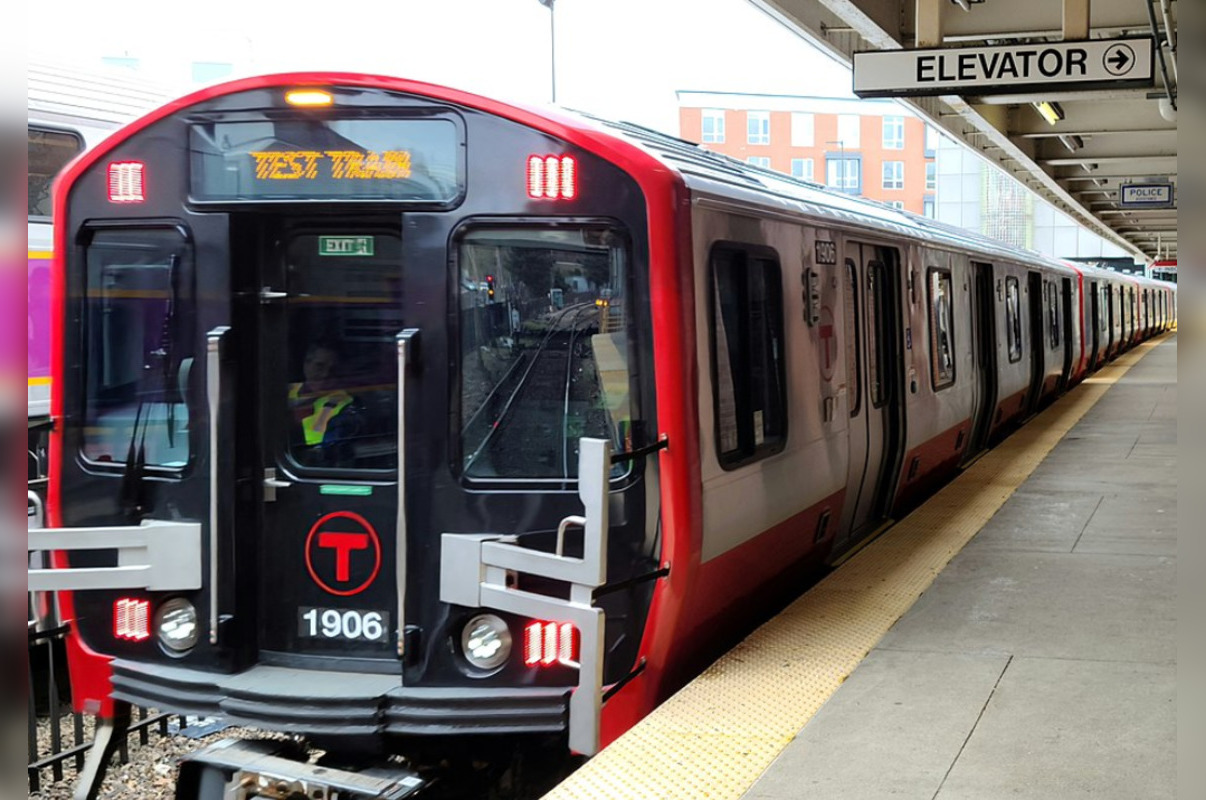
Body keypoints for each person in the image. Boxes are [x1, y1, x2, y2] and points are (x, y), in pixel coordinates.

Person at [289, 340, 363, 465]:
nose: (325, 374)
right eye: (320, 366)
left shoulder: (345, 405)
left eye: (332, 369)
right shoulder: (286, 391)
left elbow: (331, 453)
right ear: (306, 364)